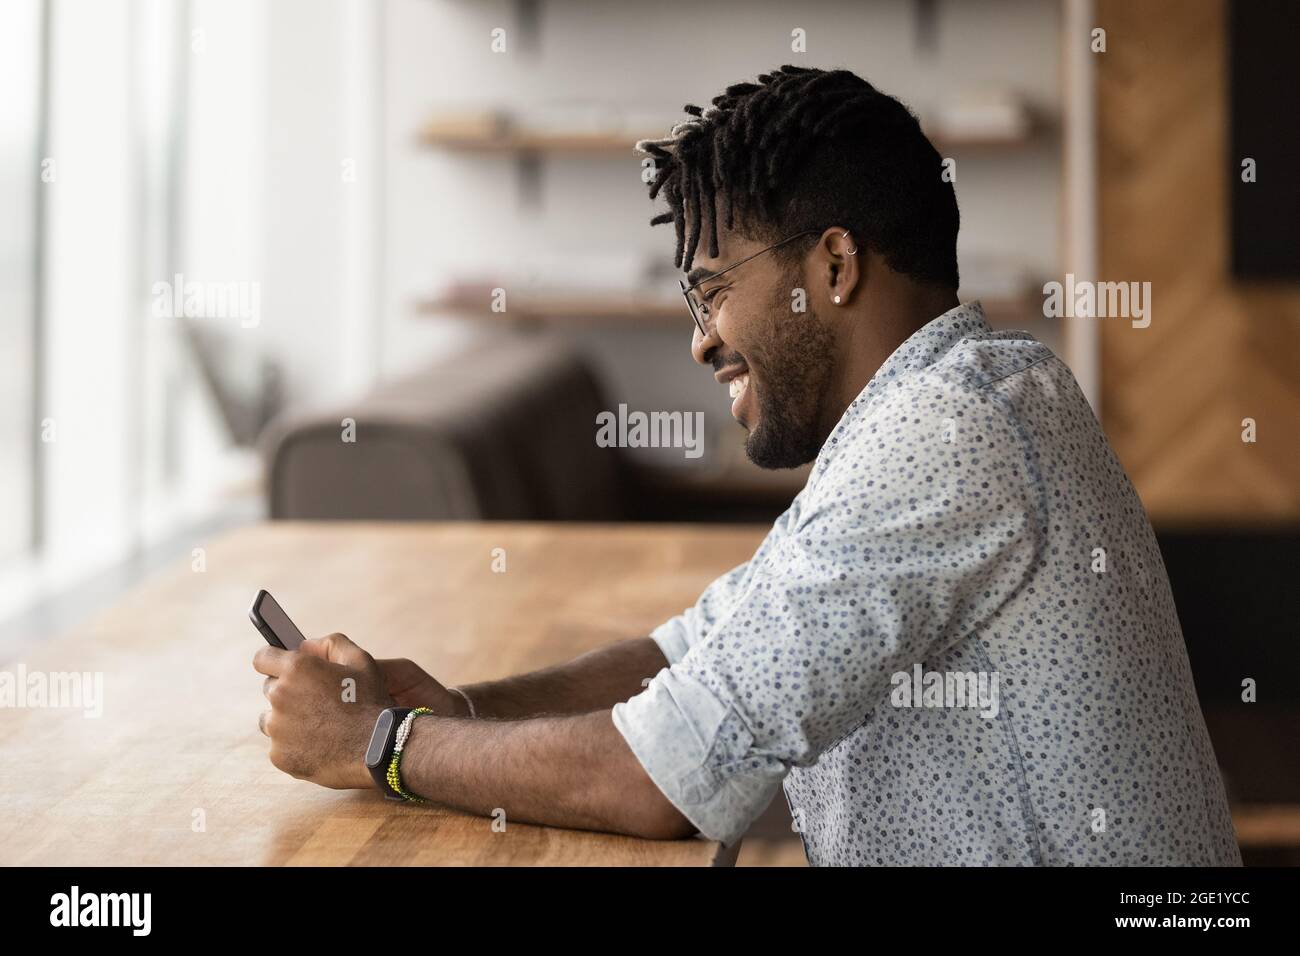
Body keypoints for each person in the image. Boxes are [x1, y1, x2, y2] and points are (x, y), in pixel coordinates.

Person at [253, 66, 1241, 866]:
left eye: (711, 290)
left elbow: (662, 780)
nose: (700, 341)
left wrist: (381, 747)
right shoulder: (935, 405)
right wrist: (454, 708)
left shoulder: (946, 429)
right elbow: (689, 653)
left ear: (835, 268)